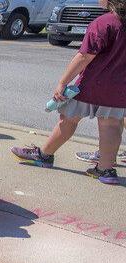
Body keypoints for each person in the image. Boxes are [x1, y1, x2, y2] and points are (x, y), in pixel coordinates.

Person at [11, 0, 126, 185]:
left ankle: (44, 155)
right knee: (111, 126)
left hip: (92, 85)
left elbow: (84, 56)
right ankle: (106, 170)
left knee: (68, 118)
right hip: (120, 89)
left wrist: (63, 82)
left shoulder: (104, 23)